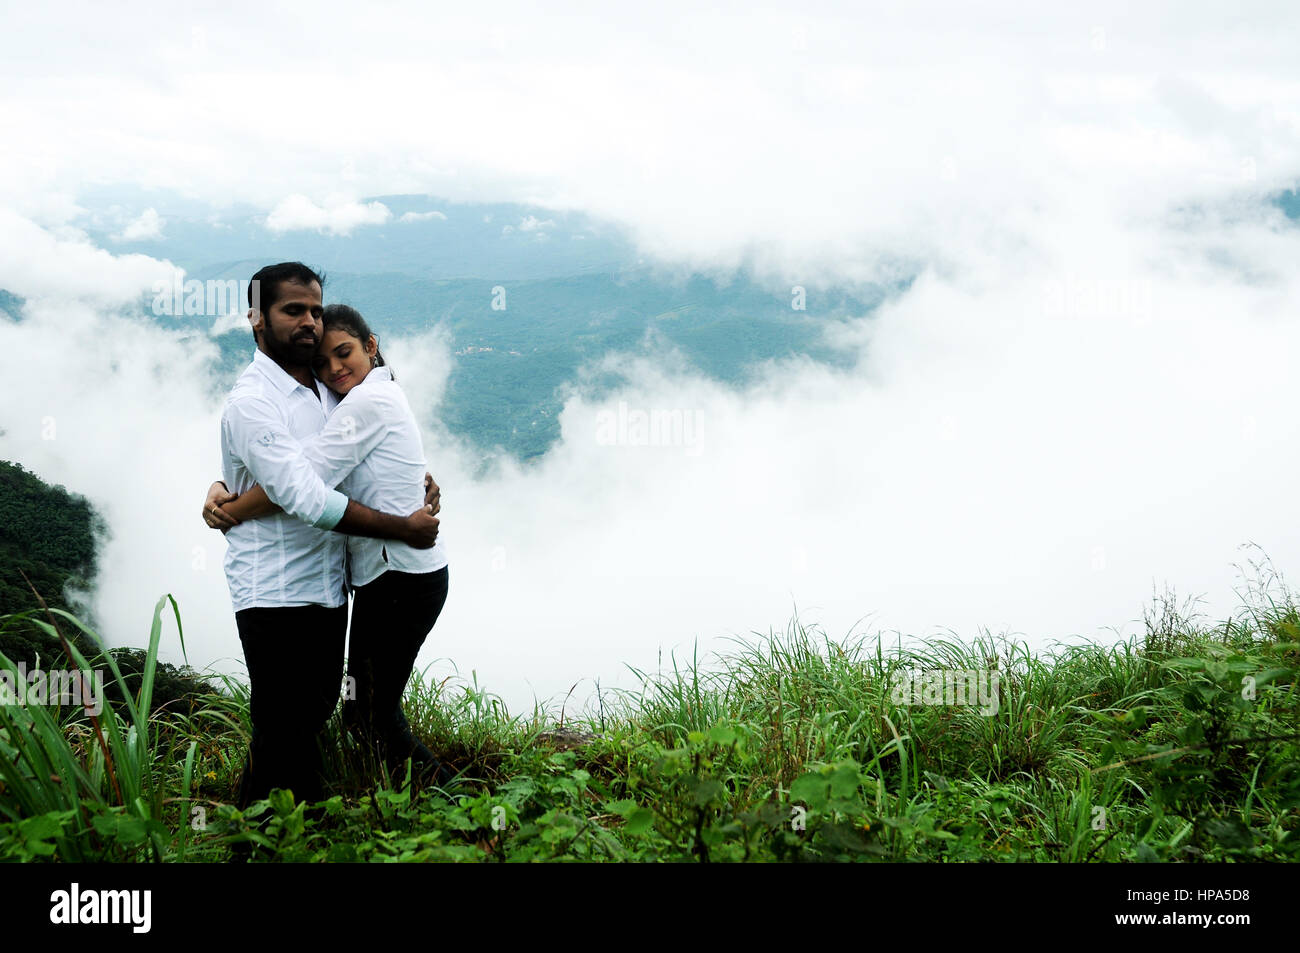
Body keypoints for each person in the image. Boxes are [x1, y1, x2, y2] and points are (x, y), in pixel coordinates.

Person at [200, 262, 442, 810]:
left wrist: (419, 480)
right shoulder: (253, 401)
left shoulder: (324, 388)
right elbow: (302, 493)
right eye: (293, 311)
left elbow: (357, 455)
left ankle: (294, 829)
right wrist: (400, 524)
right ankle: (263, 838)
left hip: (329, 588)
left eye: (314, 310)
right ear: (257, 319)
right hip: (276, 589)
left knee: (307, 720)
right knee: (284, 726)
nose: (309, 322)